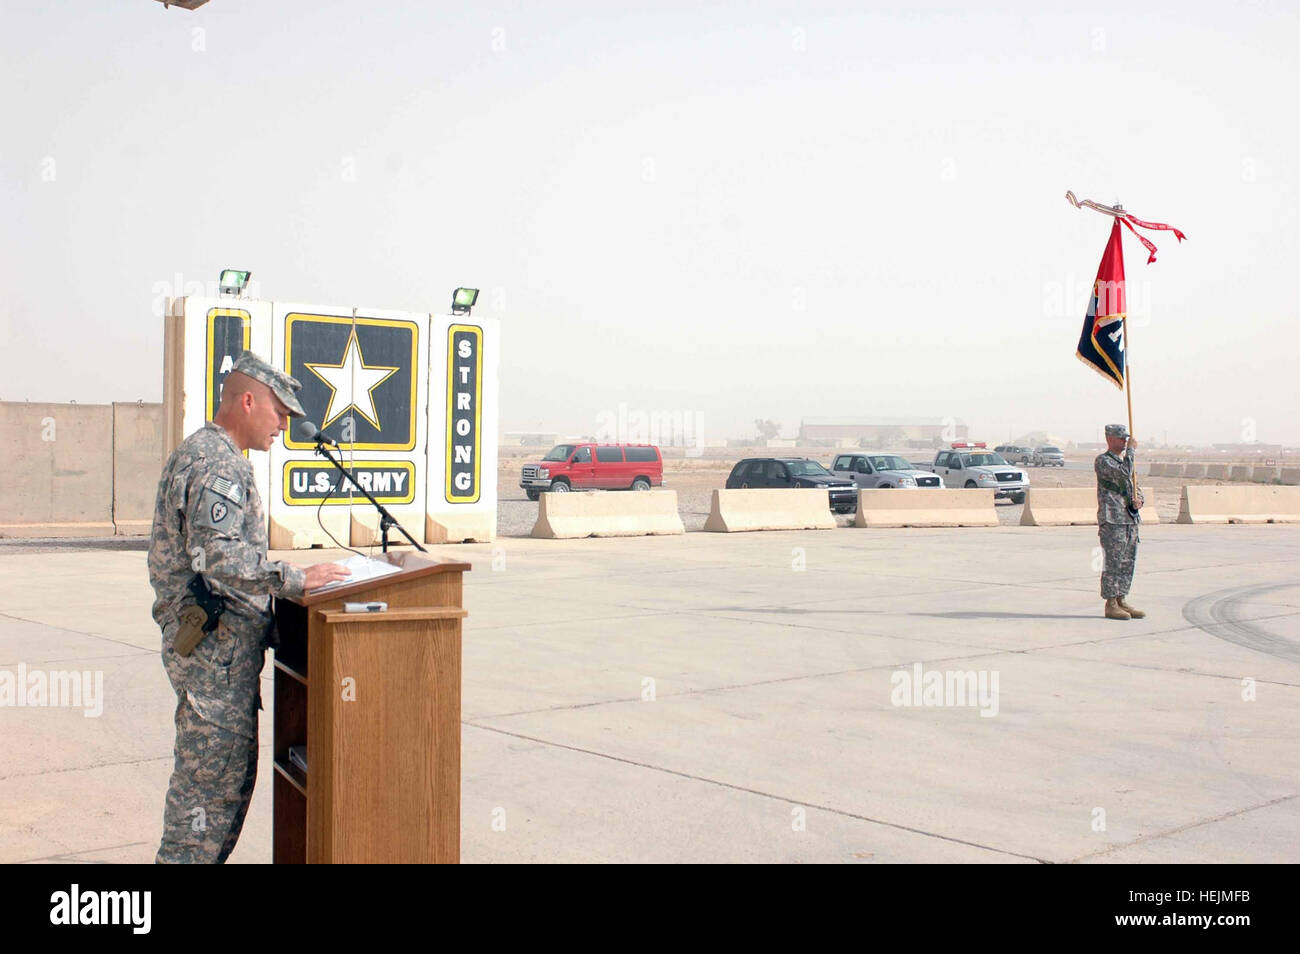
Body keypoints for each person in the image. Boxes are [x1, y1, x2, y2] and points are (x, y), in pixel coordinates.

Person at [148, 351, 350, 863]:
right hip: (213, 662)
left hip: (223, 658)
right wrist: (294, 579)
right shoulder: (216, 462)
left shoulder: (215, 456)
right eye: (279, 412)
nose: (284, 424)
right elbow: (216, 556)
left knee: (226, 792)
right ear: (247, 400)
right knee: (204, 803)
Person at [1095, 423, 1144, 620]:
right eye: (1121, 438)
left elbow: (1134, 484)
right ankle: (1111, 603)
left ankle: (1122, 598)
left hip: (1129, 519)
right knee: (1113, 562)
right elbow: (1122, 473)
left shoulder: (1127, 462)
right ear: (1109, 438)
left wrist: (1139, 500)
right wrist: (1131, 451)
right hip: (1112, 519)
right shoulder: (1103, 461)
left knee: (1127, 561)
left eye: (1126, 438)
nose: (1124, 441)